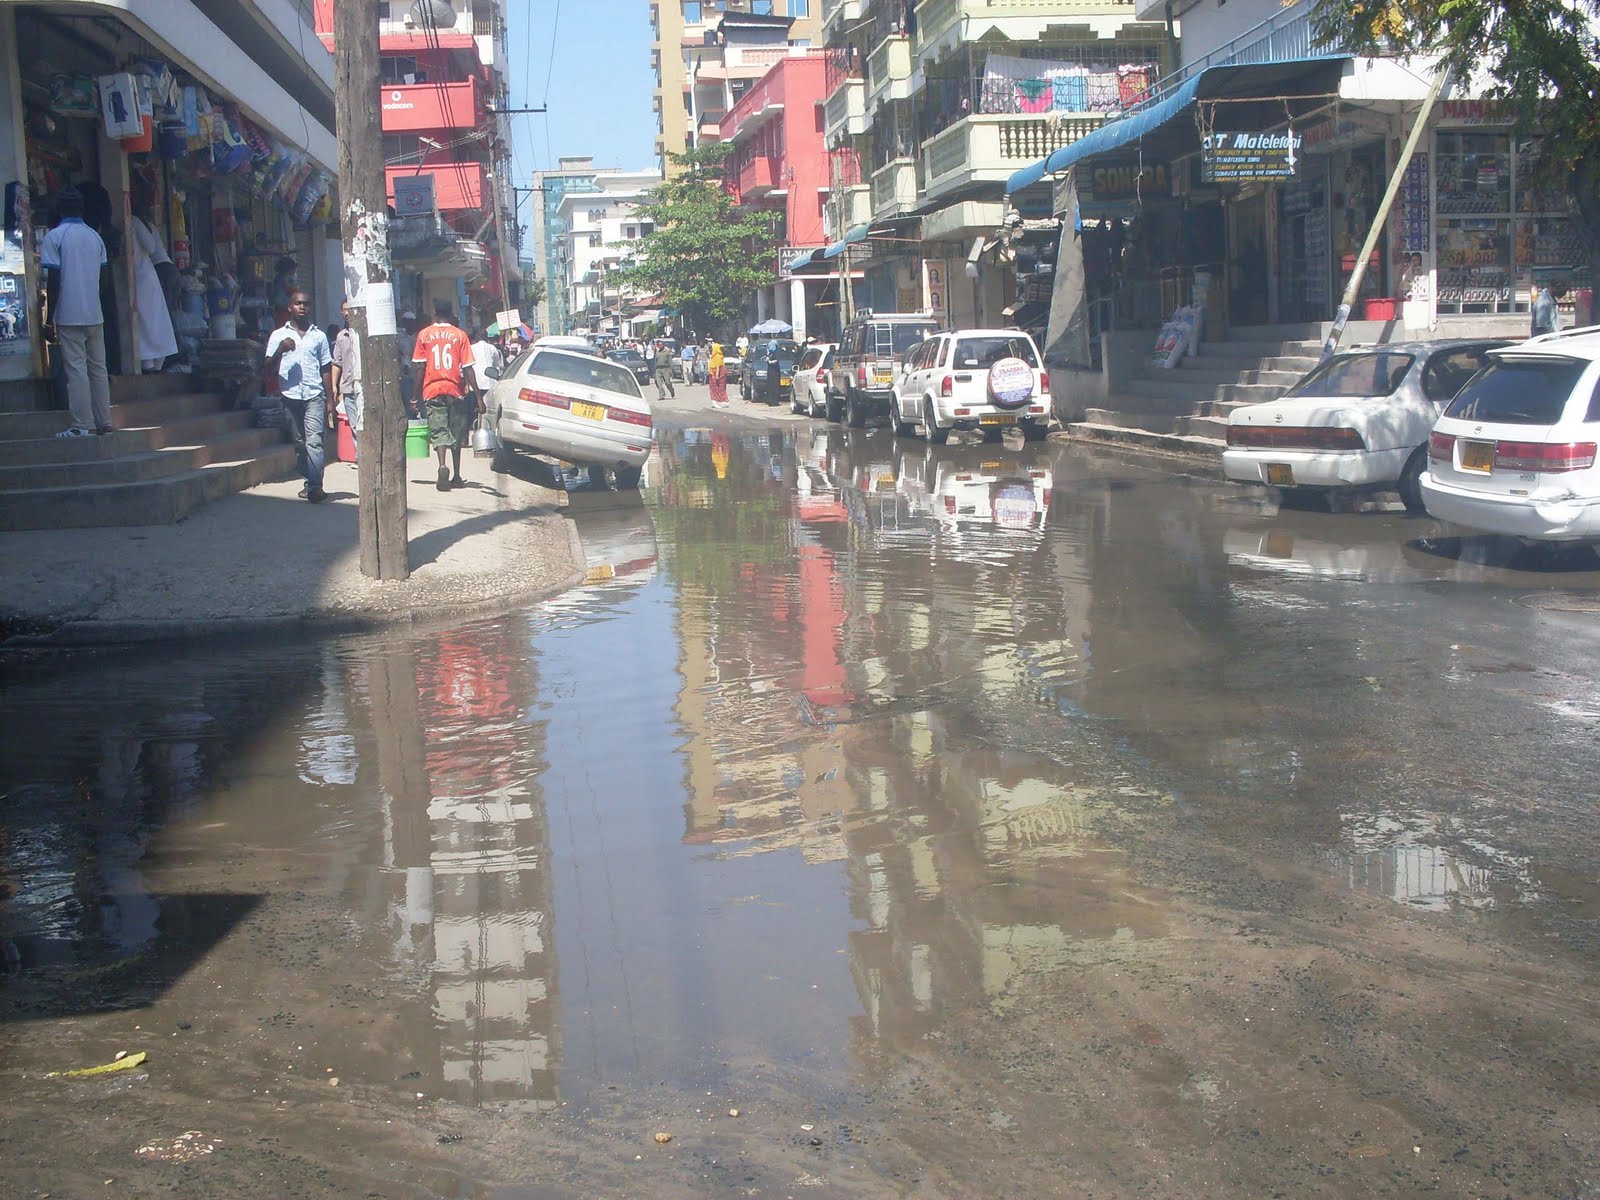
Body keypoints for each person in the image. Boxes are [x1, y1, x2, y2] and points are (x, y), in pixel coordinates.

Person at [40, 186, 112, 438]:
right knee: (98, 368)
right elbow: (103, 281)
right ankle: (105, 422)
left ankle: (82, 424)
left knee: (76, 369)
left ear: (59, 210)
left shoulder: (55, 237)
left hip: (69, 314)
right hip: (94, 313)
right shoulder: (95, 237)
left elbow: (54, 279)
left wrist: (49, 320)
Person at [265, 290, 334, 502]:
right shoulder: (278, 335)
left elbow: (326, 368)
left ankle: (315, 486)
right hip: (290, 395)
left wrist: (330, 399)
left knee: (314, 441)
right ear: (290, 307)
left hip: (314, 395)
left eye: (306, 304)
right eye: (298, 304)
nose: (302, 307)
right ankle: (309, 480)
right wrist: (280, 350)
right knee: (300, 443)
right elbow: (266, 369)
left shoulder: (319, 336)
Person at [411, 299, 478, 491]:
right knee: (456, 433)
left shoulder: (424, 334)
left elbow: (420, 368)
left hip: (432, 390)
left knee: (439, 431)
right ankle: (457, 476)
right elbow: (468, 368)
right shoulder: (460, 335)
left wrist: (414, 397)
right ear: (451, 314)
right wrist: (479, 398)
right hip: (455, 390)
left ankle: (442, 465)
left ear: (434, 313)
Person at [128, 185, 178, 371]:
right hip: (144, 275)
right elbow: (151, 247)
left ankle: (154, 361)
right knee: (153, 318)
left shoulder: (136, 222)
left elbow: (150, 247)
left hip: (146, 275)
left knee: (151, 318)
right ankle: (153, 361)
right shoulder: (136, 222)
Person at [329, 298, 362, 452]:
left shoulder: (364, 333)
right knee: (354, 422)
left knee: (365, 422)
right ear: (342, 312)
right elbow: (337, 363)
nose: (348, 312)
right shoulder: (341, 336)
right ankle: (360, 455)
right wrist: (334, 386)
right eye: (345, 309)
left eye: (350, 308)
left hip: (364, 386)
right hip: (347, 386)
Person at [708, 338, 727, 409]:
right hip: (715, 374)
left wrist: (716, 375)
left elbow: (718, 366)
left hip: (717, 375)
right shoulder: (715, 356)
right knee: (716, 388)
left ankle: (719, 401)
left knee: (717, 388)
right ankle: (719, 400)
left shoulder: (718, 356)